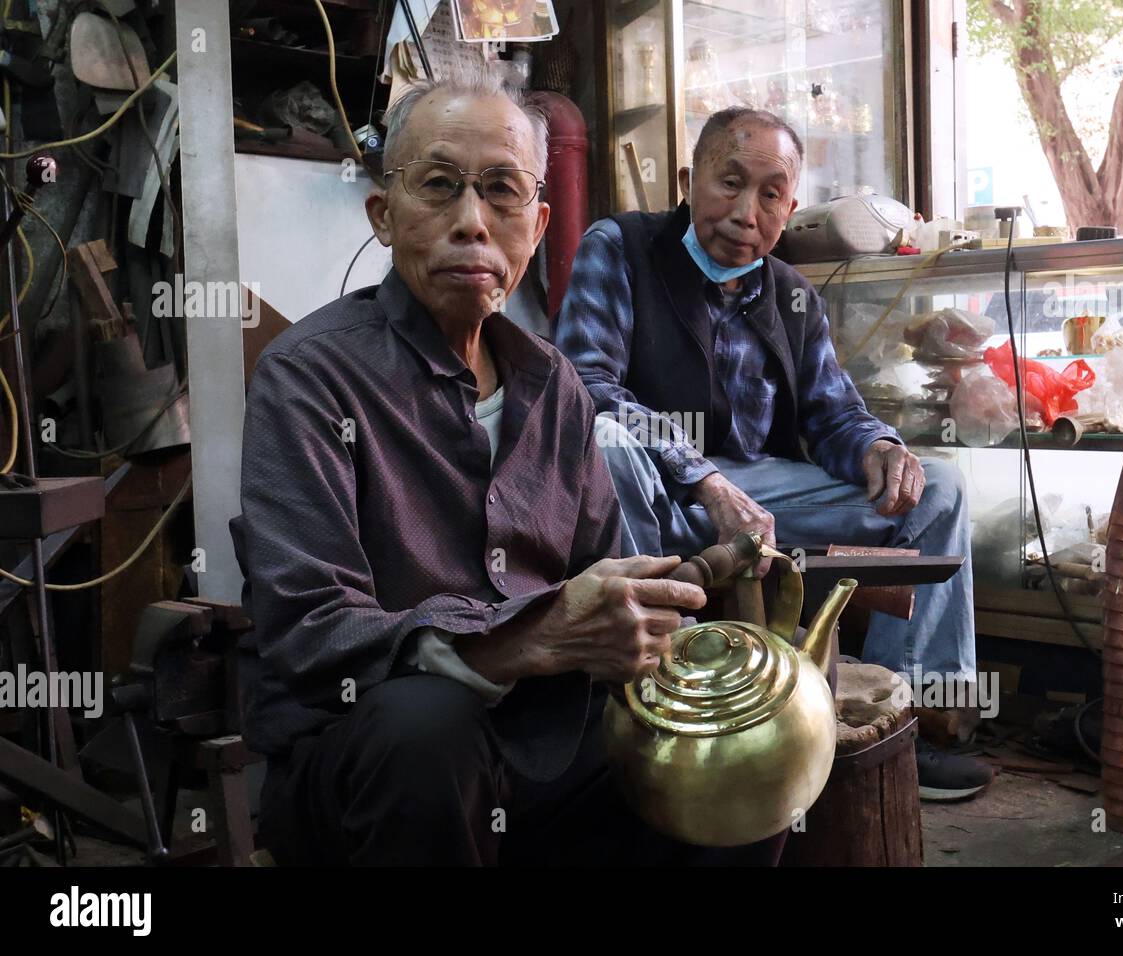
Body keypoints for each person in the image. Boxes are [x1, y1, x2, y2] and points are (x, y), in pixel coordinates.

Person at [229, 72, 786, 865]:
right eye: (439, 187)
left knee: (742, 753)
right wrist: (515, 644)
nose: (471, 223)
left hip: (537, 743)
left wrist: (642, 625)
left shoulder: (554, 386)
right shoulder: (310, 377)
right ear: (383, 217)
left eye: (501, 192)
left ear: (538, 222)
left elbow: (598, 577)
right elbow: (311, 630)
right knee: (426, 729)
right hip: (371, 758)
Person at [555, 106, 992, 801]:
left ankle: (918, 723)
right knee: (606, 443)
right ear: (687, 181)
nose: (745, 211)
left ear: (788, 209)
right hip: (650, 492)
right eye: (729, 182)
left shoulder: (790, 293)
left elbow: (831, 410)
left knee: (939, 488)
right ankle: (652, 711)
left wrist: (878, 444)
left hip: (760, 502)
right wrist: (701, 477)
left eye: (769, 194)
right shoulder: (621, 248)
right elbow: (586, 384)